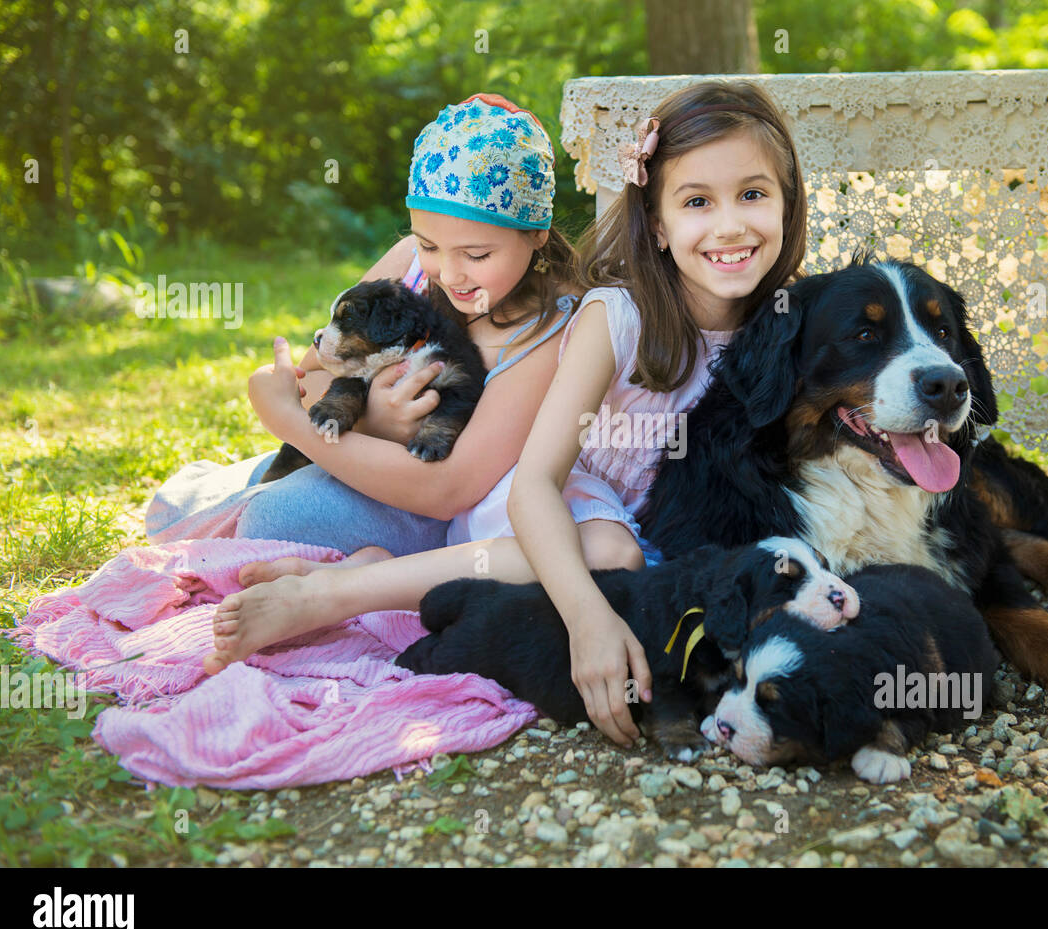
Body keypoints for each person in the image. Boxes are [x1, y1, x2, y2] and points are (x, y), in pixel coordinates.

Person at [208, 81, 809, 753]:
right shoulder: (615, 317)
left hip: (564, 514)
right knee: (608, 554)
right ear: (660, 222)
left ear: (789, 201)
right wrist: (586, 617)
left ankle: (366, 580)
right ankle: (339, 593)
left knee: (631, 567)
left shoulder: (787, 326)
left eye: (752, 194)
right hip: (550, 502)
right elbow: (331, 367)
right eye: (698, 200)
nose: (729, 223)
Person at [145, 93, 580, 561]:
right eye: (429, 244)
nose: (448, 274)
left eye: (476, 255)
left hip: (428, 508)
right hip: (353, 457)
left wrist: (292, 423)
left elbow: (452, 489)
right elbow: (312, 375)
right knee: (168, 508)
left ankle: (330, 562)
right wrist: (371, 417)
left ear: (537, 232)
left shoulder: (545, 331)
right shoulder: (407, 268)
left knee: (270, 520)